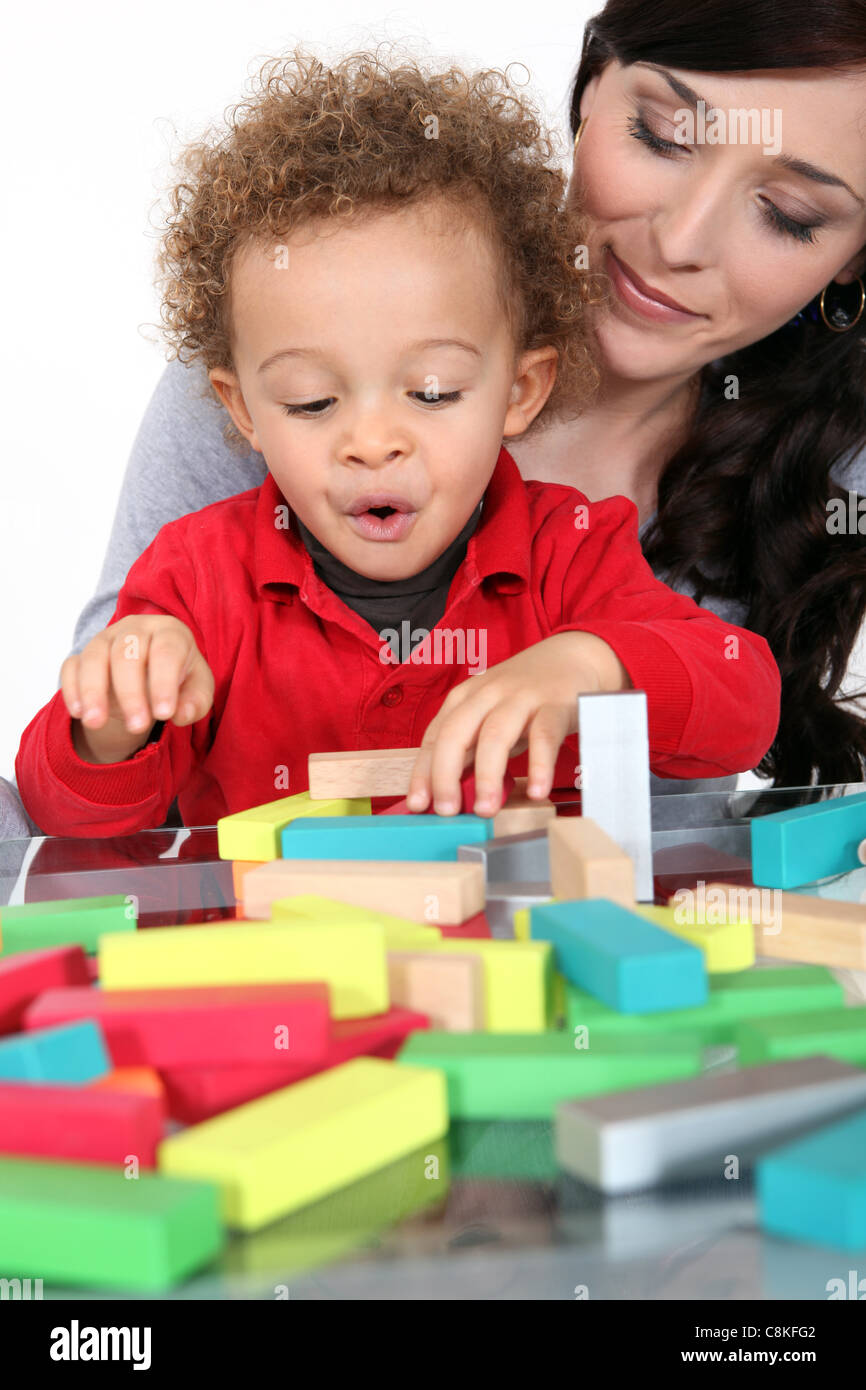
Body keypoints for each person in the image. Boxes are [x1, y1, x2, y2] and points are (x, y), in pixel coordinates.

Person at [14, 51, 780, 836]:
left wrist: (595, 664)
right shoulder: (195, 579)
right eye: (311, 400)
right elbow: (66, 824)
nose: (372, 443)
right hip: (281, 952)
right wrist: (110, 724)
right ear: (242, 411)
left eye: (434, 392)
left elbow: (744, 703)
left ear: (520, 392)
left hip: (520, 949)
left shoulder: (572, 552)